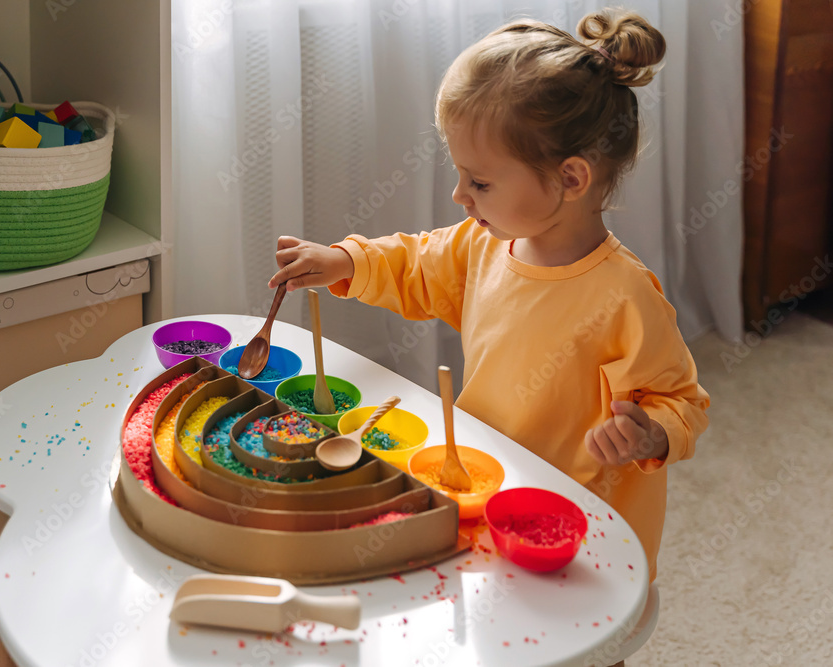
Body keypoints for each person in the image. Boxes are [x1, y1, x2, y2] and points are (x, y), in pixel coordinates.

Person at [269, 8, 709, 592]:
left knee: (582, 639)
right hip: (486, 486)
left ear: (572, 179)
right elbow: (414, 264)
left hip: (581, 525)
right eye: (460, 175)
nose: (459, 196)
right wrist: (345, 261)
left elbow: (682, 400)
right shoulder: (482, 246)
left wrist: (649, 433)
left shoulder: (625, 296)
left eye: (479, 182)